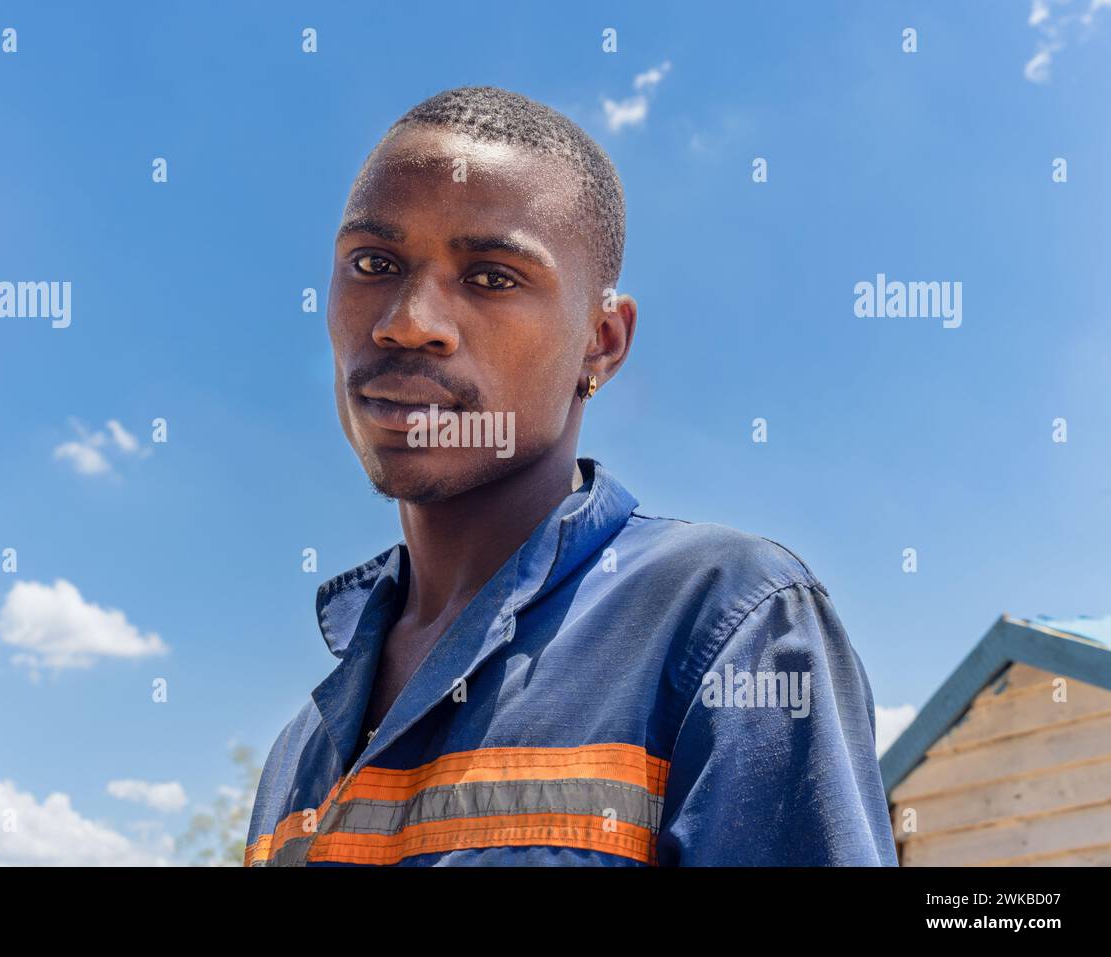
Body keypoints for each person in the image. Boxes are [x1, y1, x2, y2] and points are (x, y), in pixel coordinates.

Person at [244, 86, 897, 866]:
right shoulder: (297, 755)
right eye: (374, 264)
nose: (409, 320)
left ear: (602, 342)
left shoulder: (729, 623)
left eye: (491, 276)